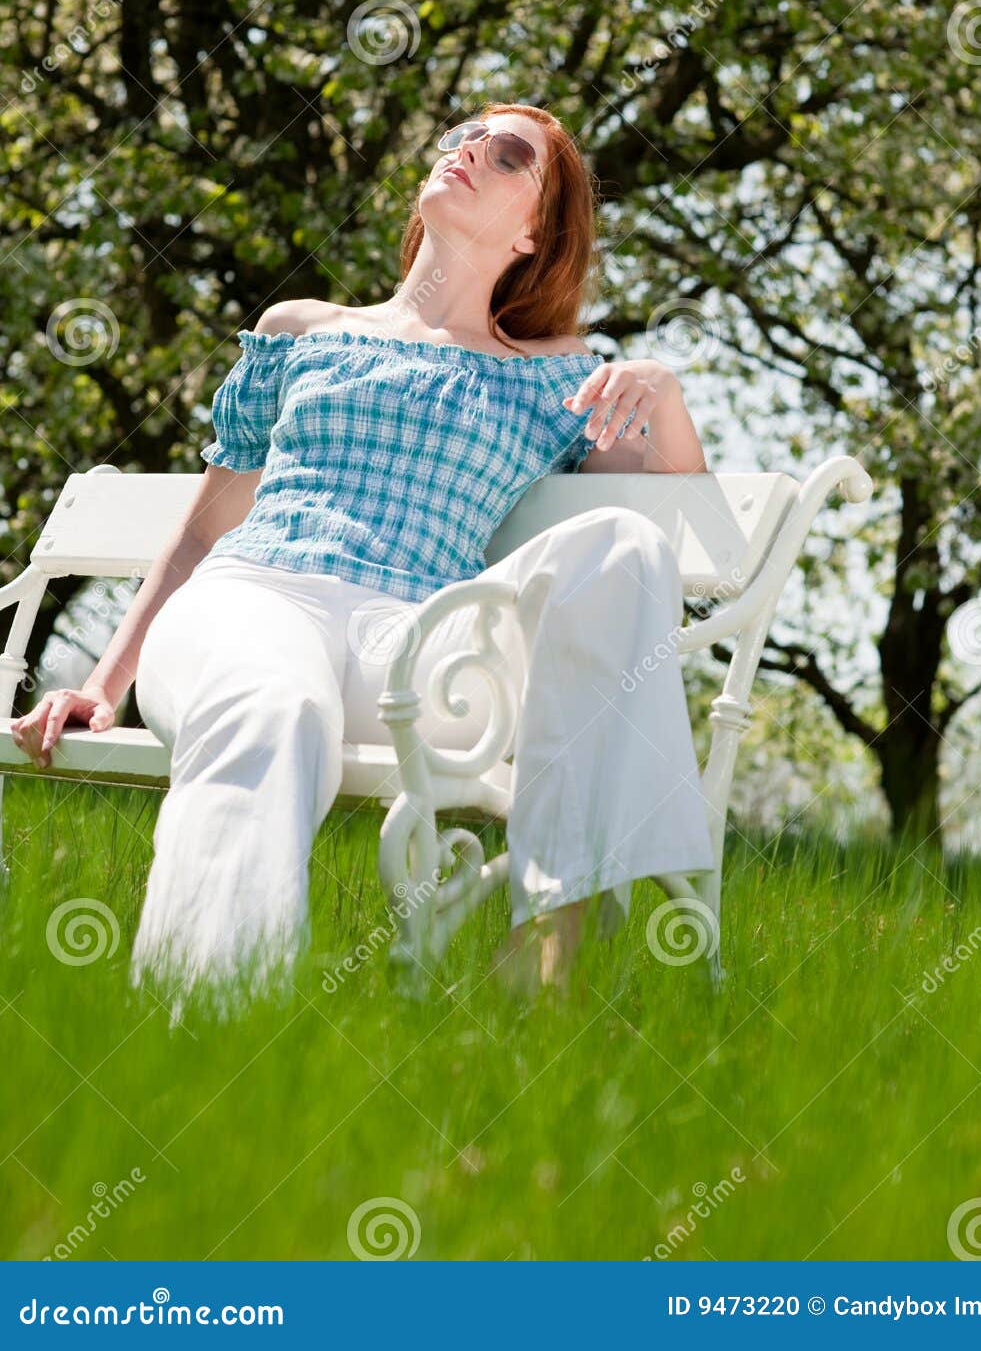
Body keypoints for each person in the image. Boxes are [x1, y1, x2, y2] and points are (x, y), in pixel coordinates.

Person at [11, 102, 717, 1010]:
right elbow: (200, 532)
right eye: (462, 135)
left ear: (536, 230)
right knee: (274, 704)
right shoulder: (303, 328)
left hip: (417, 651)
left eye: (506, 156)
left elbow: (660, 529)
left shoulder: (560, 375)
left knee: (616, 542)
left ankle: (547, 945)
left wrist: (659, 392)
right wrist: (105, 686)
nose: (468, 151)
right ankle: (211, 1021)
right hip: (256, 601)